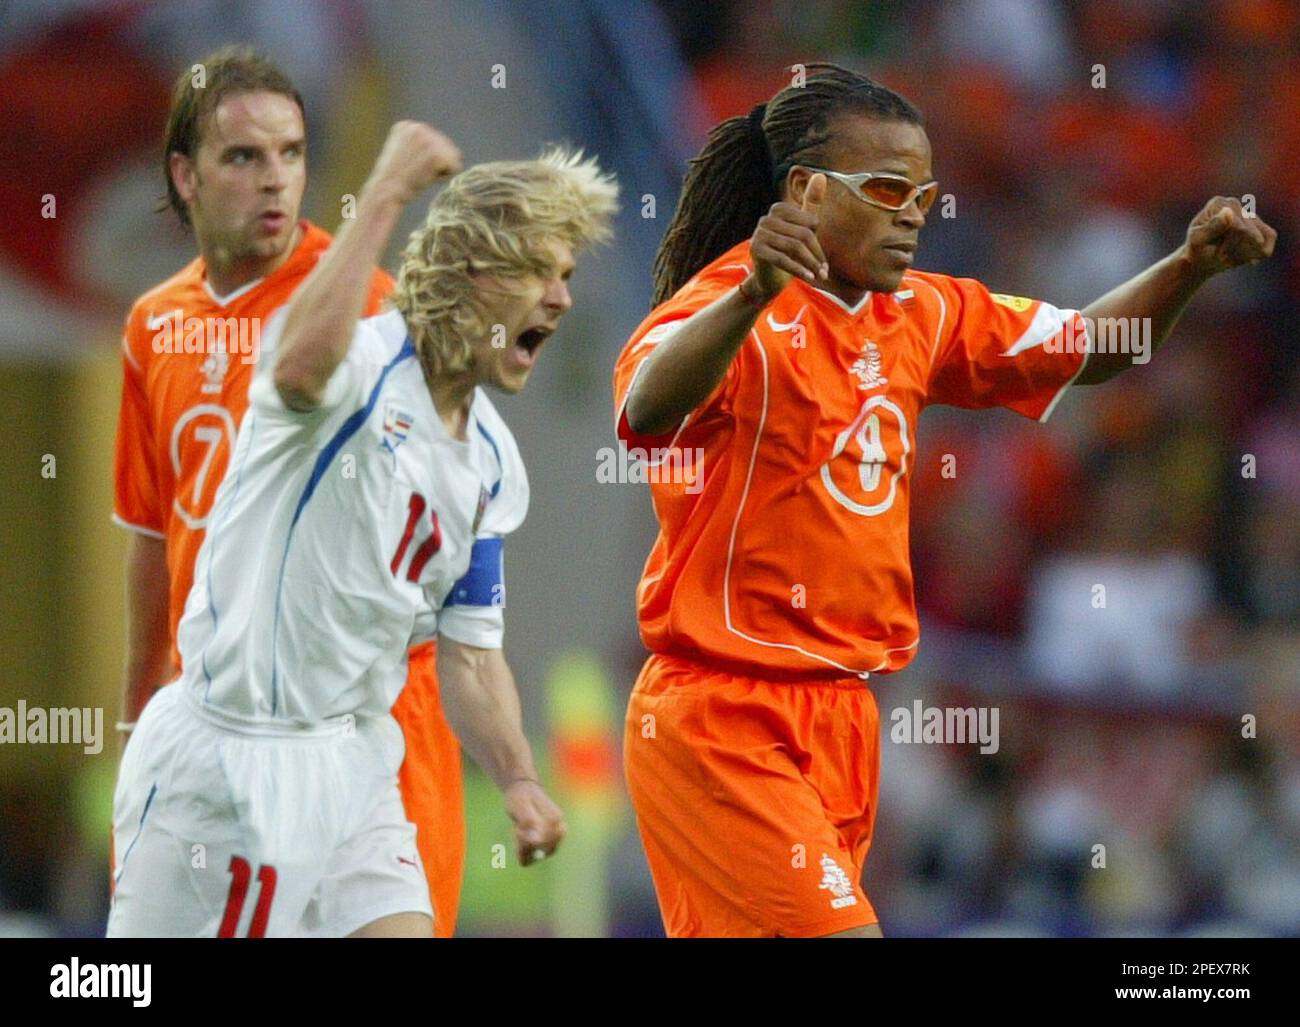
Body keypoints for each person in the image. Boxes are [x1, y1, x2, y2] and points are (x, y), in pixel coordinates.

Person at [614, 63, 1276, 938]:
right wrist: (749, 295)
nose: (912, 214)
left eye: (922, 194)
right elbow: (644, 410)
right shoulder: (727, 306)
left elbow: (1091, 348)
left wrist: (1189, 266)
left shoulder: (924, 313)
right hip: (727, 712)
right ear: (806, 191)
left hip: (844, 713)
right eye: (886, 189)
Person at [108, 114, 619, 936]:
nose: (561, 297)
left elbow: (473, 654)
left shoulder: (490, 458)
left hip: (354, 764)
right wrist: (385, 189)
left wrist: (520, 778)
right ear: (472, 275)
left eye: (566, 276)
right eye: (539, 272)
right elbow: (301, 369)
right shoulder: (353, 365)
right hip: (230, 765)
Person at [111, 46, 464, 934]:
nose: (276, 180)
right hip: (223, 735)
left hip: (367, 725)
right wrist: (132, 730)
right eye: (244, 157)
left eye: (292, 153)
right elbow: (154, 543)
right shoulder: (155, 325)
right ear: (185, 175)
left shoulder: (365, 307)